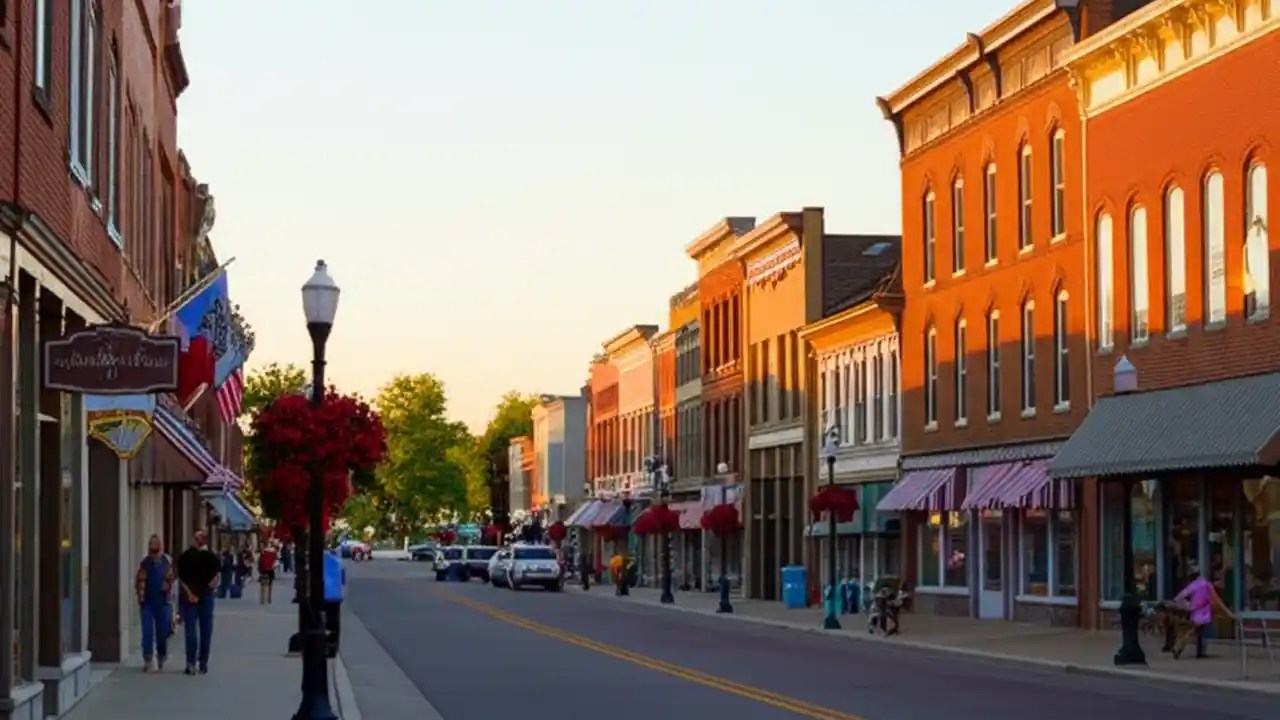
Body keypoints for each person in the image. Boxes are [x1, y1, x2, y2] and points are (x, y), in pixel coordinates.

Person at [177, 531, 221, 675]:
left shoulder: (185, 557)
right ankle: (203, 662)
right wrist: (206, 590)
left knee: (190, 629)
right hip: (206, 596)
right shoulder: (211, 558)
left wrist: (190, 593)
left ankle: (190, 662)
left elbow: (181, 578)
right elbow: (216, 579)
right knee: (206, 630)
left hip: (190, 596)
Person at [1172, 563, 1235, 659]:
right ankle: (1179, 647)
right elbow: (1217, 600)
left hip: (1194, 612)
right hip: (1204, 613)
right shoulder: (1206, 584)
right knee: (1194, 632)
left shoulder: (1194, 585)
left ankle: (1198, 651)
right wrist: (1227, 612)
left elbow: (1182, 594)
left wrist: (1178, 603)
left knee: (1197, 632)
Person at [135, 534, 175, 672]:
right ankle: (148, 658)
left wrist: (167, 586)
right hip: (147, 601)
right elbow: (140, 579)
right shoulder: (145, 563)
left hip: (162, 601)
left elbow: (171, 578)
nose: (154, 545)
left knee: (162, 632)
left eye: (156, 543)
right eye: (151, 543)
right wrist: (141, 594)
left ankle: (161, 656)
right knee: (147, 631)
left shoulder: (166, 561)